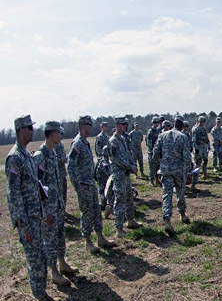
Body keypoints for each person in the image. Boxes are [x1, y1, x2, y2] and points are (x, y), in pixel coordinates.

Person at [6, 115, 64, 301]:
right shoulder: (15, 157)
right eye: (29, 128)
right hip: (28, 221)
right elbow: (13, 194)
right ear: (21, 131)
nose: (32, 131)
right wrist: (23, 224)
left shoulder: (25, 155)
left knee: (41, 256)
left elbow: (35, 185)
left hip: (36, 215)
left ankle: (43, 293)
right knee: (35, 261)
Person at [34, 121, 78, 287]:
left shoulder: (52, 153)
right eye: (59, 133)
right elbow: (36, 185)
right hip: (48, 209)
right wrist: (45, 212)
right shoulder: (40, 156)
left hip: (58, 205)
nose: (61, 135)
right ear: (52, 134)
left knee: (59, 236)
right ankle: (53, 272)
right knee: (50, 239)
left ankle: (62, 263)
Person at [68, 115, 117, 254]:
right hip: (84, 186)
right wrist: (78, 186)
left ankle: (100, 238)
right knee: (86, 213)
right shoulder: (77, 143)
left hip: (90, 184)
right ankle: (88, 241)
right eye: (89, 125)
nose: (91, 127)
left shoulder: (85, 142)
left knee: (96, 211)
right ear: (84, 126)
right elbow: (71, 167)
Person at [154, 118, 192, 236]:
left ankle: (167, 220)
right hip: (178, 171)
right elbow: (186, 156)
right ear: (181, 126)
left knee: (167, 194)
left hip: (165, 170)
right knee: (180, 193)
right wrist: (189, 172)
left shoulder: (162, 135)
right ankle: (182, 214)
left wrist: (159, 166)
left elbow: (155, 153)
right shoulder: (182, 137)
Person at [108, 116, 141, 237]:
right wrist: (130, 166)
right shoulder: (113, 141)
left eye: (125, 124)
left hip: (125, 174)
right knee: (120, 200)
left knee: (129, 198)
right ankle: (119, 228)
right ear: (117, 125)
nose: (125, 126)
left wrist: (132, 164)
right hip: (119, 175)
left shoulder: (122, 139)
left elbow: (127, 155)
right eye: (122, 124)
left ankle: (130, 220)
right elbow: (117, 159)